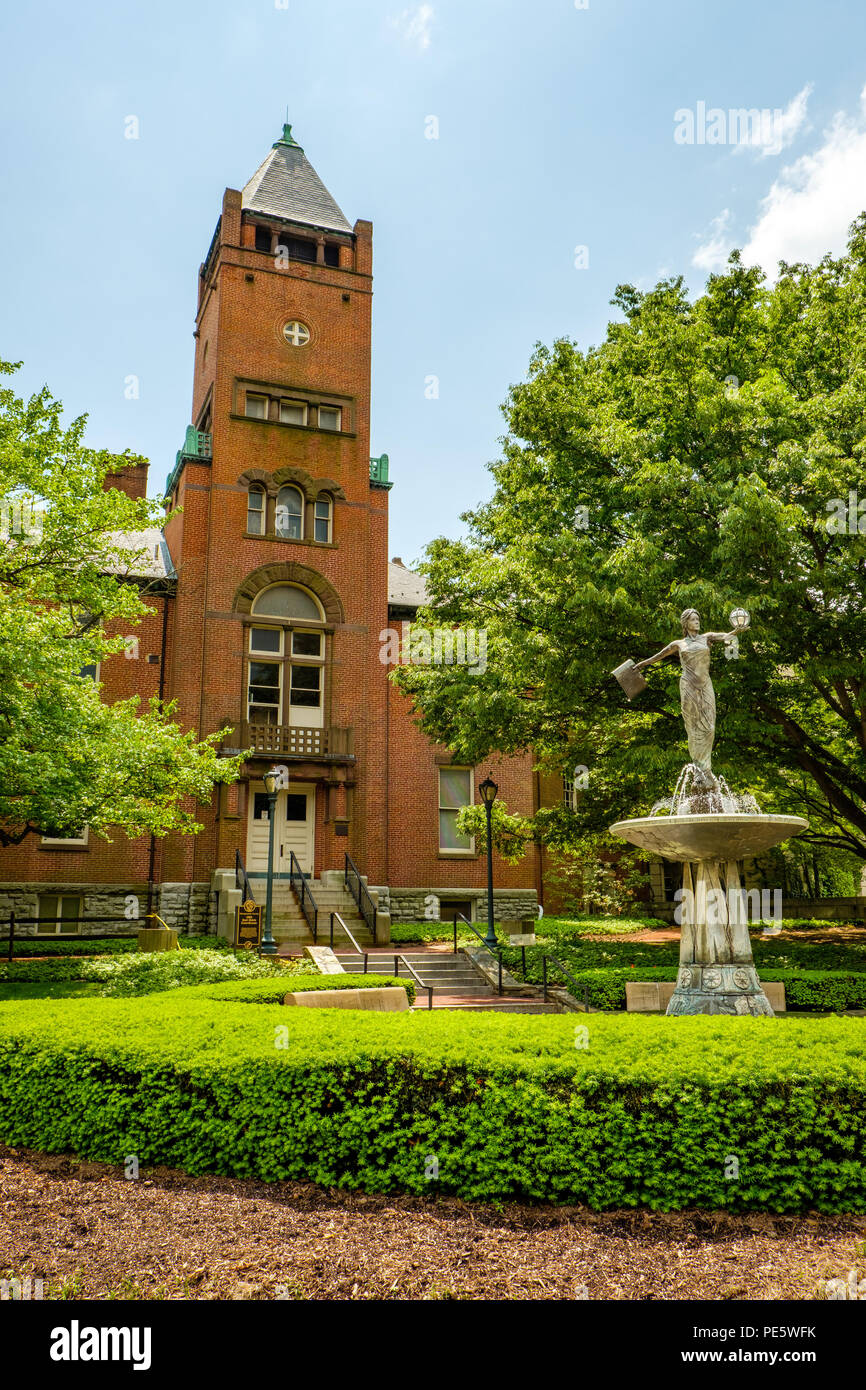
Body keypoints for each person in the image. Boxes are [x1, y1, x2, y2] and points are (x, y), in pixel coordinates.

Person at [633, 609, 743, 773]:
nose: (697, 622)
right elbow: (658, 656)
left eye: (698, 619)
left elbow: (725, 636)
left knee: (710, 727)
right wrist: (642, 664)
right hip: (687, 686)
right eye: (693, 619)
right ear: (686, 623)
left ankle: (706, 767)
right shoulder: (679, 644)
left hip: (705, 684)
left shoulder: (706, 638)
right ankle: (699, 768)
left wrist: (736, 630)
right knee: (692, 727)